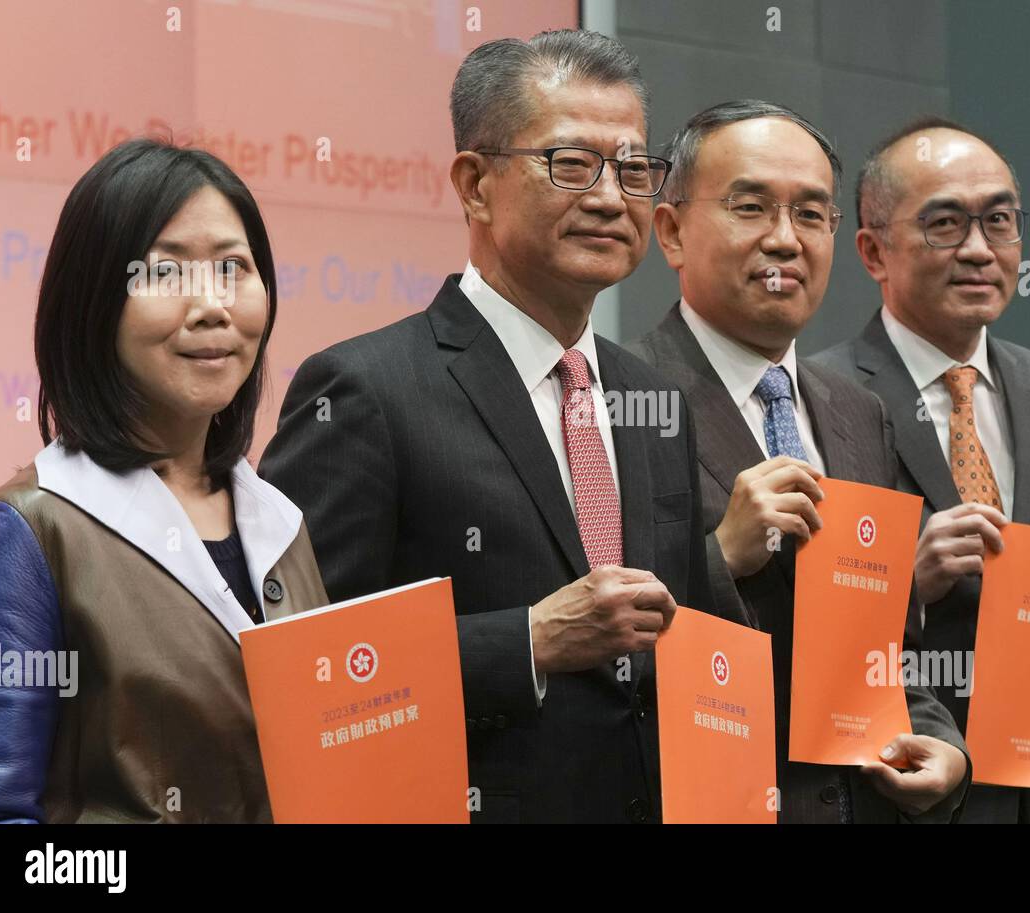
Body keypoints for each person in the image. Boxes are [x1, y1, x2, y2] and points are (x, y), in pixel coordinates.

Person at [259, 30, 724, 824]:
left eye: (633, 168)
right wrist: (530, 640)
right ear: (474, 184)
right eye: (571, 164)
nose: (612, 198)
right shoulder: (364, 389)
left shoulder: (655, 398)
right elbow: (304, 680)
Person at [630, 100, 969, 823]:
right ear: (670, 231)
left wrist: (940, 739)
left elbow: (889, 644)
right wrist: (720, 555)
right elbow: (603, 664)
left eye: (811, 215)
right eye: (750, 207)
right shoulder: (620, 402)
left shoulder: (858, 412)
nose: (785, 240)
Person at [0, 138, 329, 823]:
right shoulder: (29, 531)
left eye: (234, 268)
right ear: (93, 303)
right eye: (166, 274)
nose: (212, 306)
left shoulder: (280, 521)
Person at [810, 116, 1030, 823]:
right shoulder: (820, 394)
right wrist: (909, 582)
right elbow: (805, 628)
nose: (981, 250)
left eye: (1000, 221)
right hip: (900, 792)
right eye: (946, 225)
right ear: (872, 250)